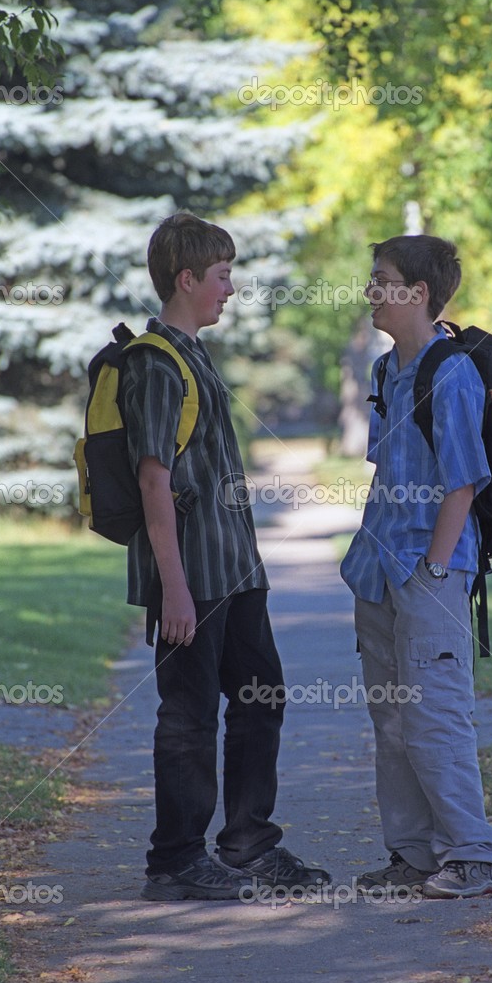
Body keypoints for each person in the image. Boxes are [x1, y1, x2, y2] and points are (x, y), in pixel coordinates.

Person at [121, 210, 330, 901]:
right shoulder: (153, 364)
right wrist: (173, 589)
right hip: (191, 576)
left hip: (235, 570)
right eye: (220, 275)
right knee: (187, 715)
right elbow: (153, 478)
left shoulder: (192, 353)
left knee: (260, 694)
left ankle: (245, 844)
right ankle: (175, 859)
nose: (230, 288)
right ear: (186, 279)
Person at [340, 235, 492, 899]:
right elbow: (390, 469)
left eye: (381, 280)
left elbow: (461, 484)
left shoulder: (451, 371)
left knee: (434, 715)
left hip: (429, 573)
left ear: (417, 293)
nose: (369, 290)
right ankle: (411, 855)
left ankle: (476, 855)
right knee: (389, 720)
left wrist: (436, 574)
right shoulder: (386, 372)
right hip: (377, 569)